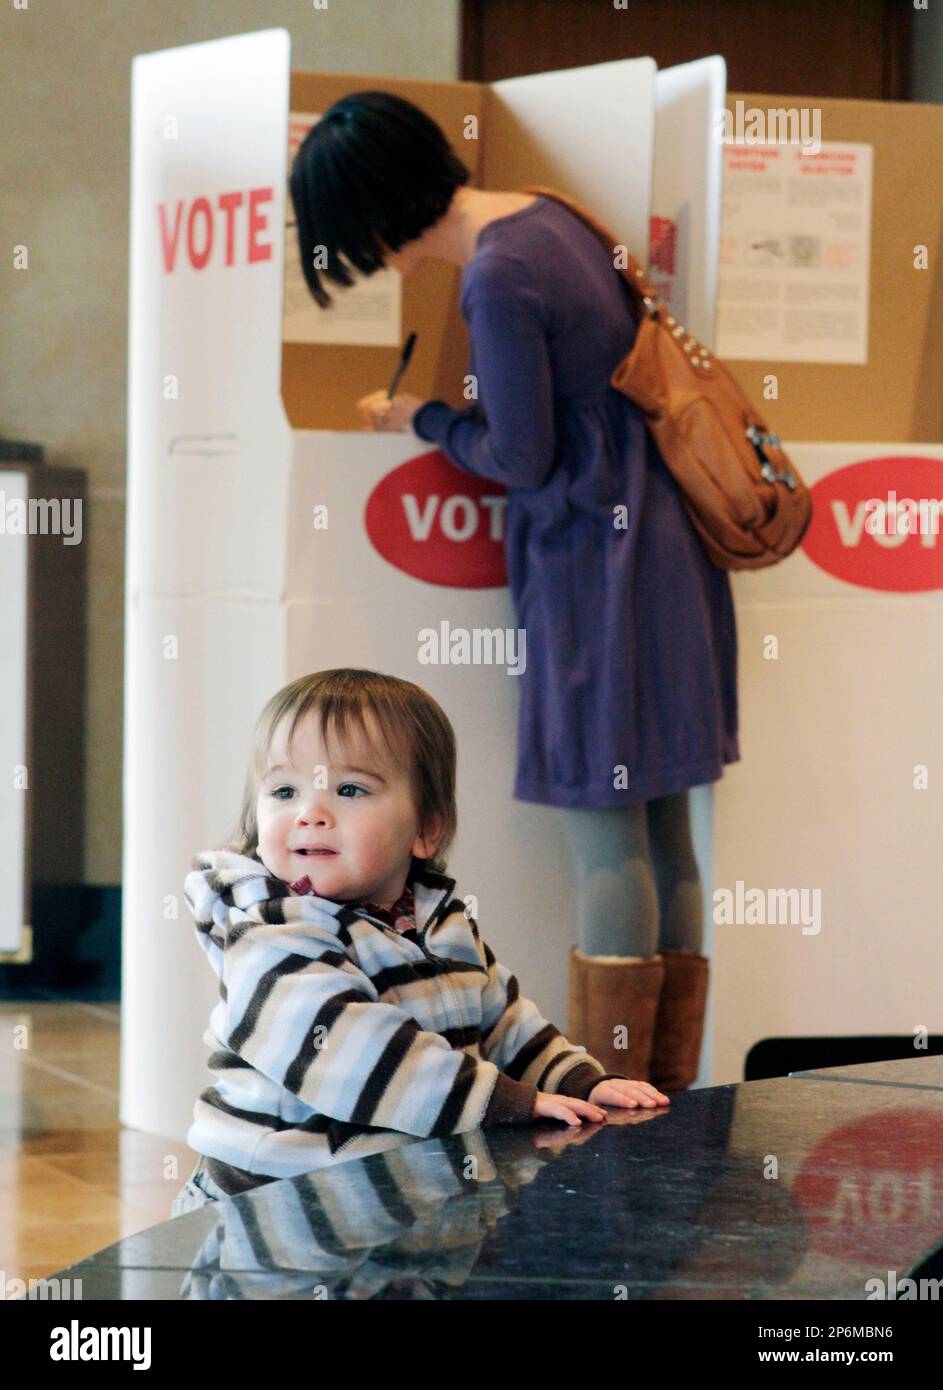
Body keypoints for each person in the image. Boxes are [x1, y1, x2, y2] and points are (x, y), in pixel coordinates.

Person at [288, 92, 740, 1094]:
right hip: (665, 558)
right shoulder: (551, 215)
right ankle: (665, 1103)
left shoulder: (494, 277)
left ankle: (622, 1108)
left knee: (603, 828)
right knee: (665, 831)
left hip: (595, 577)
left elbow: (523, 456)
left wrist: (423, 418)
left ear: (375, 210)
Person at [171, 669, 669, 1212]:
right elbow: (360, 1054)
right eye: (284, 791)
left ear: (426, 829)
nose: (310, 813)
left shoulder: (441, 924)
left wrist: (578, 1081)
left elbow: (505, 1022)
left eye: (350, 789)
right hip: (273, 1215)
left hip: (386, 1205)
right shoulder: (270, 938)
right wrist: (508, 1102)